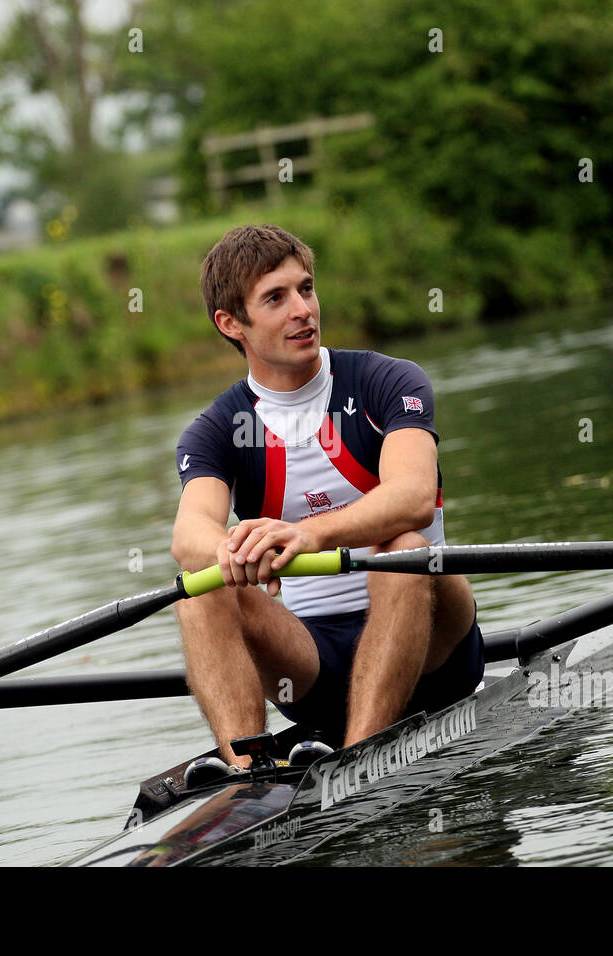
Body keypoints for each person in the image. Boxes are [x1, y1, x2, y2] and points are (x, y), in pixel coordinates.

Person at [171, 224, 483, 772]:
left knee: (403, 544)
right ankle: (248, 774)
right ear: (230, 323)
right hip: (314, 664)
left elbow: (411, 496)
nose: (303, 310)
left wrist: (308, 533)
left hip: (436, 645)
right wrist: (235, 552)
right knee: (200, 586)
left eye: (307, 289)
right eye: (276, 298)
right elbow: (190, 535)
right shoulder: (216, 430)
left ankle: (359, 757)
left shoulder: (390, 381)